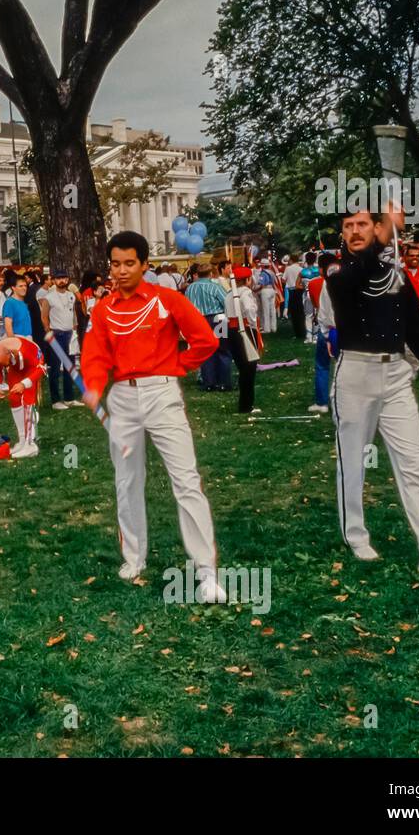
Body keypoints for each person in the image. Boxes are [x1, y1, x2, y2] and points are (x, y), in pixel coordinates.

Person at [80, 231, 226, 599]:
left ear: (144, 264)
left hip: (162, 396)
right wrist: (94, 385)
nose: (122, 270)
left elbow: (205, 340)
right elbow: (95, 355)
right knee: (126, 481)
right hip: (123, 402)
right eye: (115, 264)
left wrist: (177, 365)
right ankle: (134, 557)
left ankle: (207, 572)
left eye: (130, 263)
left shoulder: (168, 299)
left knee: (186, 479)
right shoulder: (103, 309)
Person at [321, 208, 419, 582]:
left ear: (375, 228)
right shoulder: (337, 277)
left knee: (414, 462)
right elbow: (361, 271)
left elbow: (416, 332)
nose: (354, 231)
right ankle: (356, 536)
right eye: (348, 226)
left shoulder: (398, 278)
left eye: (363, 224)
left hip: (396, 374)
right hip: (355, 374)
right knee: (353, 460)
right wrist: (386, 233)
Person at [0, 335, 45, 457]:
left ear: (9, 354)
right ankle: (22, 440)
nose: (5, 367)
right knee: (14, 398)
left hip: (32, 367)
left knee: (28, 400)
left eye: (6, 363)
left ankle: (31, 445)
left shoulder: (26, 350)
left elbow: (40, 369)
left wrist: (24, 383)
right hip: (17, 365)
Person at [41, 269, 82, 410]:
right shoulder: (49, 297)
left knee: (70, 367)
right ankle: (55, 401)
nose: (61, 281)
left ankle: (69, 398)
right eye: (58, 278)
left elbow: (73, 313)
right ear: (53, 281)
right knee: (55, 368)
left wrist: (75, 327)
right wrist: (48, 331)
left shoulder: (71, 295)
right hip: (56, 334)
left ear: (68, 279)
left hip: (70, 334)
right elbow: (44, 316)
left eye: (64, 278)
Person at [185, 264, 229, 391]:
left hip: (199, 320)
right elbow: (225, 301)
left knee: (205, 351)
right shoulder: (215, 287)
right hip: (218, 318)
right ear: (210, 274)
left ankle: (208, 382)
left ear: (197, 274)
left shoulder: (190, 288)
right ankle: (223, 382)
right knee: (222, 350)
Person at [226, 265, 262, 414]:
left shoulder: (229, 294)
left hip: (232, 331)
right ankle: (246, 405)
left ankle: (245, 404)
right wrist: (253, 323)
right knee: (249, 369)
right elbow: (249, 310)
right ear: (247, 280)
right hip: (244, 329)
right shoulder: (245, 292)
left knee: (243, 368)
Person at [305, 253, 338, 413]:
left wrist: (325, 332)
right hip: (347, 331)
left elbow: (324, 313)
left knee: (322, 365)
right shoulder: (349, 279)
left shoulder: (327, 283)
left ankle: (322, 402)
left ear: (321, 269)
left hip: (330, 330)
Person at [283, 255, 306, 339]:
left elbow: (283, 279)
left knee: (294, 313)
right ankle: (304, 330)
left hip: (291, 291)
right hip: (300, 291)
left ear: (291, 260)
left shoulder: (288, 268)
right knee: (301, 312)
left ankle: (297, 333)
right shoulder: (301, 269)